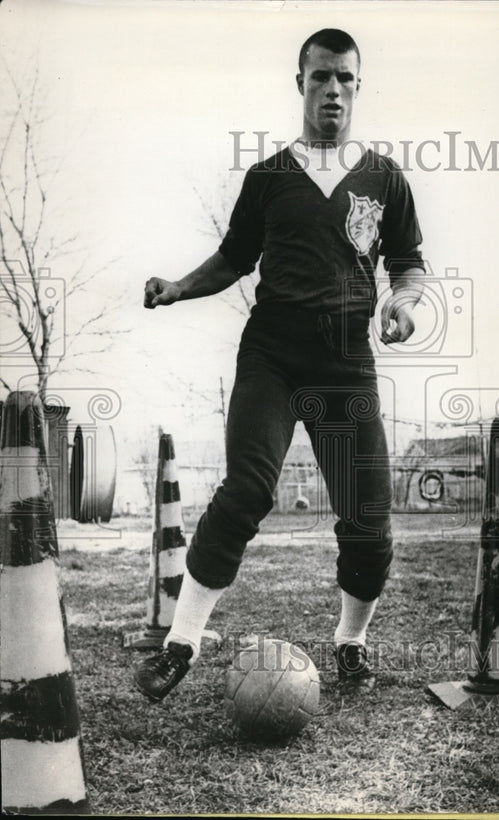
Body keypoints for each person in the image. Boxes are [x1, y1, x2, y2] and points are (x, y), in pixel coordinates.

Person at [135, 28, 425, 702]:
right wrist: (178, 287)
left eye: (345, 77)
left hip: (345, 361)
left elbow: (408, 263)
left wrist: (404, 303)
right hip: (272, 353)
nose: (333, 89)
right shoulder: (267, 176)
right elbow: (233, 258)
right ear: (301, 83)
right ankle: (180, 644)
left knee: (368, 520)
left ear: (358, 85)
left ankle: (350, 644)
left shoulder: (385, 177)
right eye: (321, 76)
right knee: (247, 491)